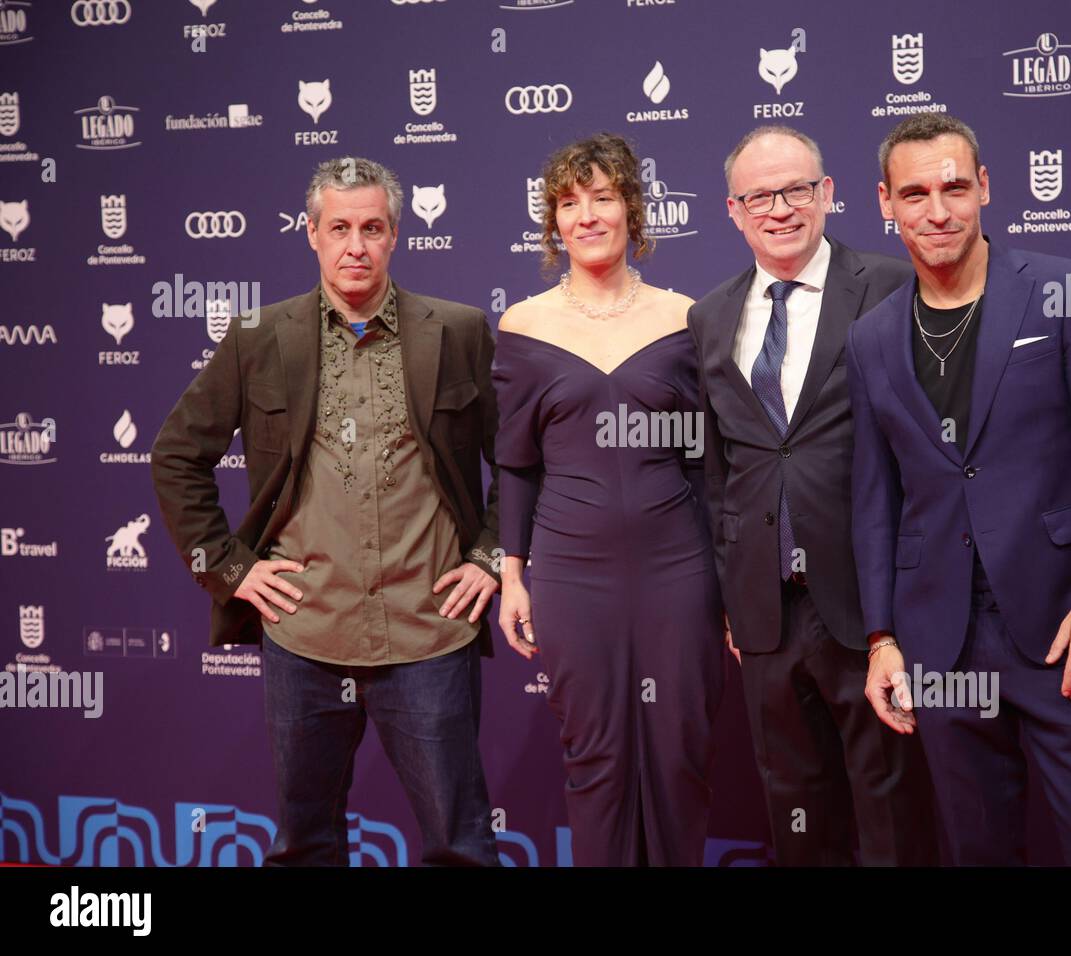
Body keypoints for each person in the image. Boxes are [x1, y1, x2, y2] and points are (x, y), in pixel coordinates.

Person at [151, 157, 502, 866]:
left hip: (429, 633)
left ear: (396, 235)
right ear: (310, 233)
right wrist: (227, 568)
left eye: (372, 228)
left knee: (460, 848)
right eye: (339, 227)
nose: (356, 246)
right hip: (304, 636)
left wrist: (491, 557)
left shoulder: (458, 331)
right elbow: (175, 455)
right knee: (307, 846)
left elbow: (523, 464)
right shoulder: (260, 337)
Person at [849, 114, 1071, 864]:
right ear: (885, 202)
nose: (937, 211)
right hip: (939, 642)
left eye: (953, 187)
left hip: (1060, 628)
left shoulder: (1063, 289)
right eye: (914, 193)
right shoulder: (873, 337)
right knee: (977, 848)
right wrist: (882, 636)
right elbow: (876, 498)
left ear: (984, 186)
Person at [688, 125, 938, 866]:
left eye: (797, 189)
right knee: (794, 807)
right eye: (759, 195)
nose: (780, 208)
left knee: (894, 806)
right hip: (765, 612)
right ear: (733, 210)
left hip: (871, 607)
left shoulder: (893, 286)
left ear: (829, 194)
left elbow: (926, 451)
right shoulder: (710, 316)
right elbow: (718, 468)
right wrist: (732, 595)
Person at [493, 132, 725, 867]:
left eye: (602, 197)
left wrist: (730, 579)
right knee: (594, 761)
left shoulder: (686, 319)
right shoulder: (523, 326)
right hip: (569, 573)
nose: (586, 215)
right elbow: (515, 465)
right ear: (552, 223)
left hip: (679, 571)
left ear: (632, 208)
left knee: (679, 757)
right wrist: (511, 574)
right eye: (568, 202)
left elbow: (707, 464)